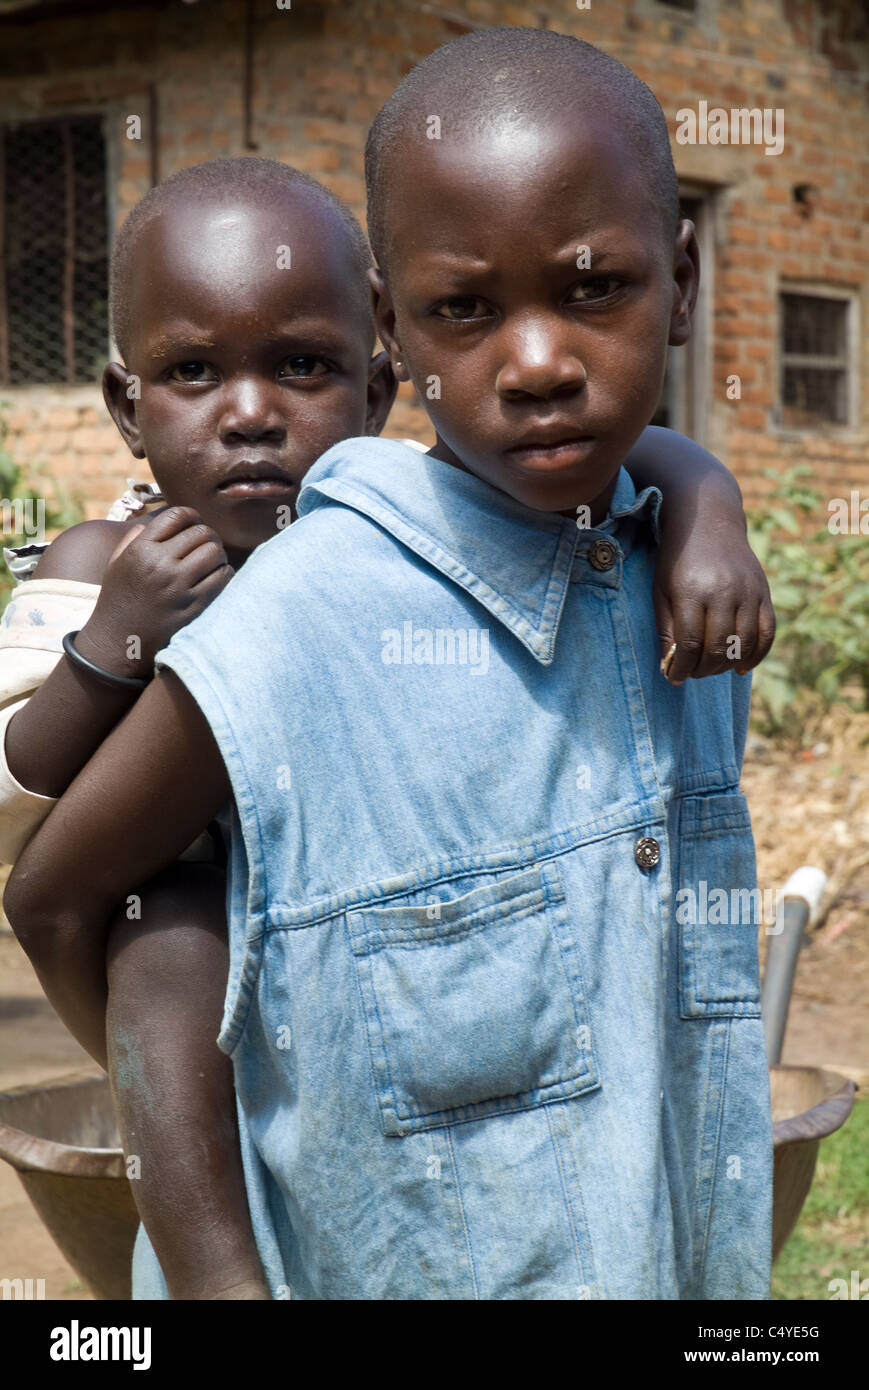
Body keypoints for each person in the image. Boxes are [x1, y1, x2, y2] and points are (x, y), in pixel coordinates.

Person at [6, 32, 775, 1300]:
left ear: (680, 283)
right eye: (463, 310)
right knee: (172, 939)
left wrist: (706, 491)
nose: (534, 365)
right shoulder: (271, 599)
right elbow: (47, 878)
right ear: (396, 328)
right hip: (200, 945)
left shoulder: (672, 579)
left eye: (594, 291)